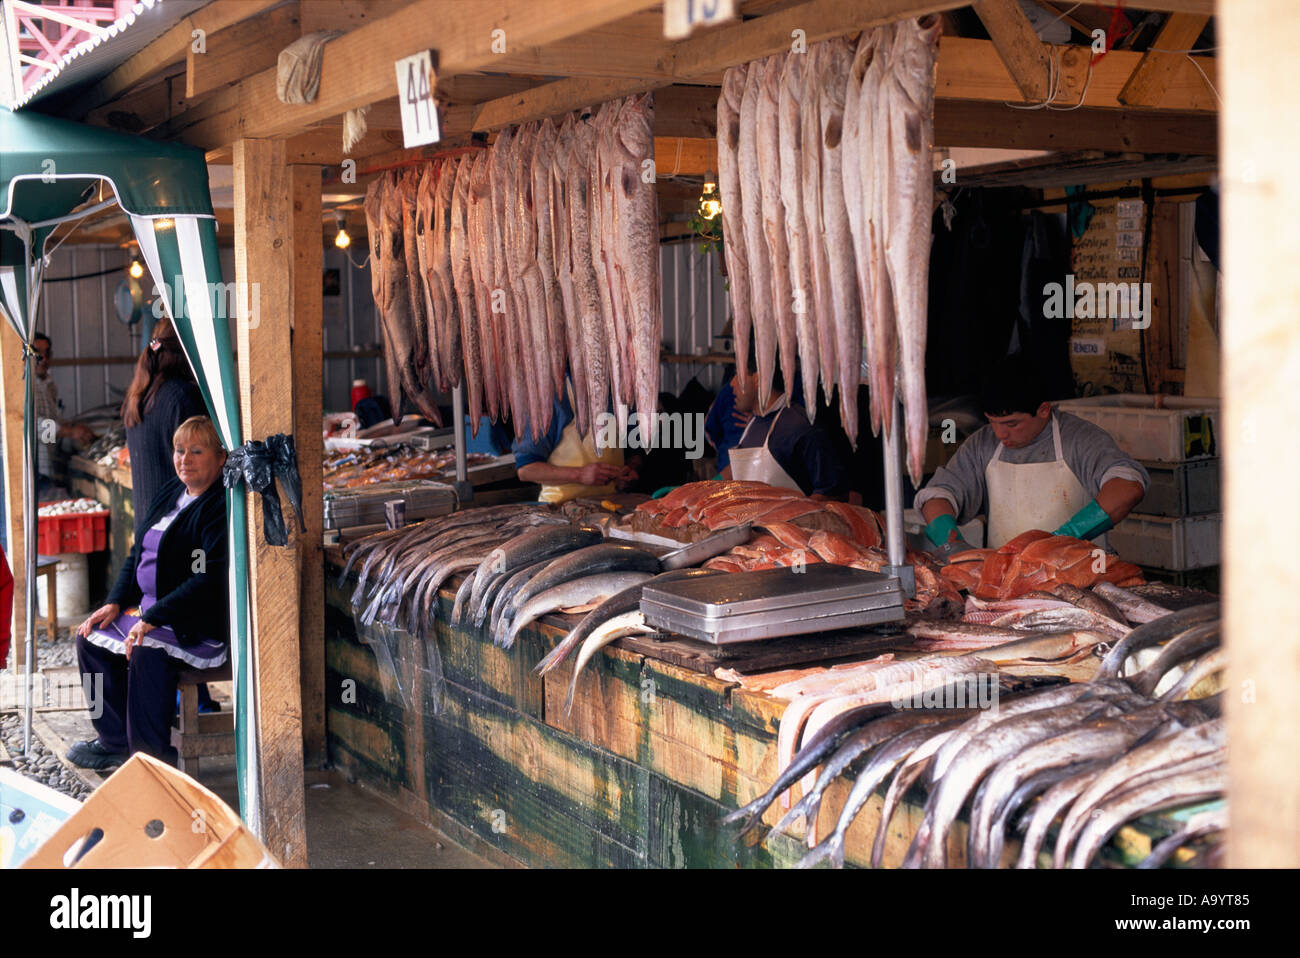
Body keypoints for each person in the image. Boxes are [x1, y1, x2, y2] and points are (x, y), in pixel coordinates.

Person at [66, 416, 229, 769]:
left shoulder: (217, 508)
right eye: (179, 450)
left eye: (196, 451)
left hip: (191, 623)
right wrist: (114, 602)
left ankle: (150, 759)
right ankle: (113, 739)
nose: (184, 459)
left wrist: (153, 618)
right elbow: (136, 554)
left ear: (221, 457)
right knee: (88, 639)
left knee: (145, 653)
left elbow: (207, 578)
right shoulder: (171, 494)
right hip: (149, 613)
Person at [915, 356, 1148, 553]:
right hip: (1007, 579)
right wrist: (952, 545)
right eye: (992, 422)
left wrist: (1063, 538)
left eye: (1012, 424)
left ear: (1044, 410)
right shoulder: (981, 444)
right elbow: (937, 495)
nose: (999, 434)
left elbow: (1128, 486)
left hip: (1080, 575)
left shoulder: (1080, 439)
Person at [723, 343, 850, 500]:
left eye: (737, 374)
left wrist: (788, 517)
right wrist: (704, 490)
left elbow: (833, 493)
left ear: (757, 378)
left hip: (783, 524)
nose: (731, 384)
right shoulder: (755, 422)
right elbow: (742, 468)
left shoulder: (800, 427)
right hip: (749, 523)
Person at [122, 319, 206, 540]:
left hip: (148, 528)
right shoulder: (184, 397)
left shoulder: (137, 397)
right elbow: (203, 467)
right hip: (178, 529)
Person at [513, 382, 637, 504]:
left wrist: (628, 471)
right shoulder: (552, 397)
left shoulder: (620, 392)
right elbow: (526, 470)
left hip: (612, 504)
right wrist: (580, 475)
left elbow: (635, 452)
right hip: (560, 508)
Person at [31, 333, 95, 501]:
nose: (43, 358)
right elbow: (33, 427)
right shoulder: (23, 386)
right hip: (31, 471)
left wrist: (75, 432)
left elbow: (54, 424)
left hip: (47, 468)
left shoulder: (49, 386)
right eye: (37, 353)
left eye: (47, 353)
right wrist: (70, 432)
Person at [703, 370, 751, 475]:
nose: (733, 383)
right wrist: (725, 451)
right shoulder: (729, 392)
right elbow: (709, 428)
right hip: (729, 474)